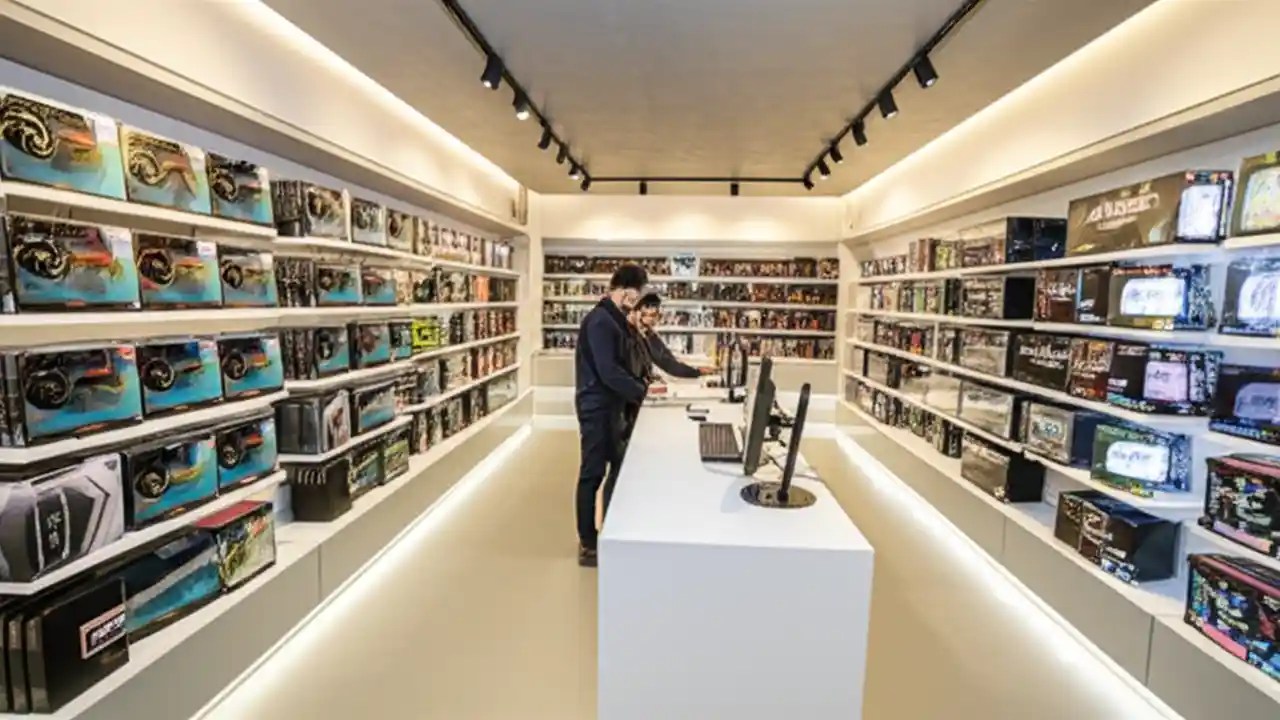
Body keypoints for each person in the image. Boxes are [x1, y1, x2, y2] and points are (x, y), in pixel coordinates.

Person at [574, 264, 649, 567]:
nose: (640, 300)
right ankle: (588, 542)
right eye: (639, 294)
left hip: (610, 405)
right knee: (592, 473)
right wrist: (640, 390)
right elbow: (608, 372)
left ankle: (611, 531)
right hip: (597, 407)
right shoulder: (601, 322)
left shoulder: (612, 319)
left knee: (616, 468)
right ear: (627, 290)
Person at [632, 293, 712, 379]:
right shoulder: (635, 334)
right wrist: (697, 372)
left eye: (658, 315)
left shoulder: (646, 332)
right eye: (653, 315)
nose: (655, 320)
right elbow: (667, 363)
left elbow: (668, 357)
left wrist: (695, 370)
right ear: (640, 310)